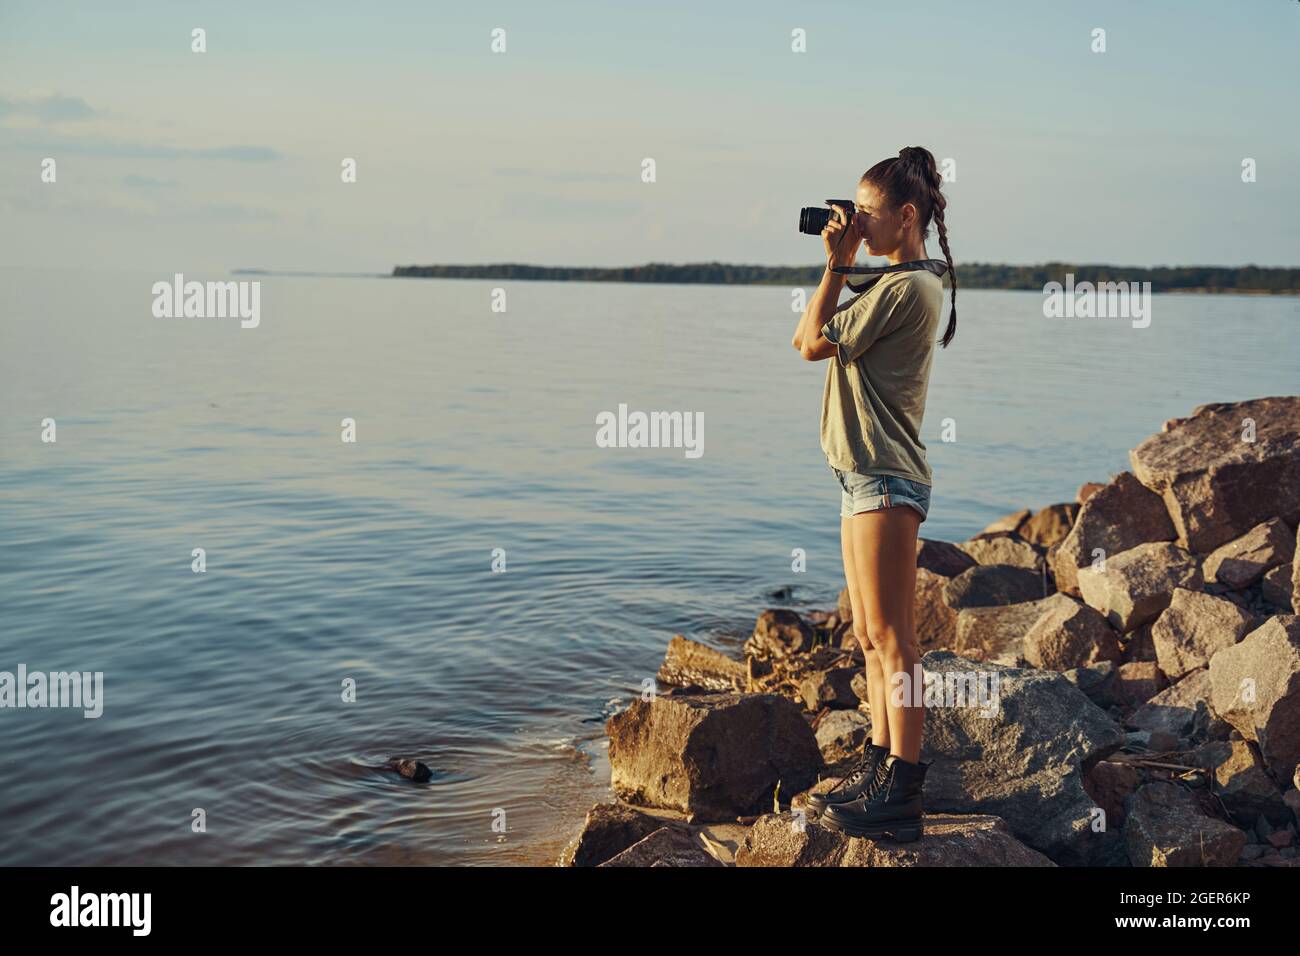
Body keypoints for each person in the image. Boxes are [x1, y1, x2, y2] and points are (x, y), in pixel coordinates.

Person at [790, 146, 956, 841]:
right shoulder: (894, 282)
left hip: (885, 476)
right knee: (867, 634)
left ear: (906, 216)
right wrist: (846, 259)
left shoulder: (905, 289)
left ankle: (902, 789)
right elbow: (808, 336)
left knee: (896, 639)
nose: (855, 223)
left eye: (866, 213)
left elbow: (808, 343)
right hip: (862, 475)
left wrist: (836, 263)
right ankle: (881, 763)